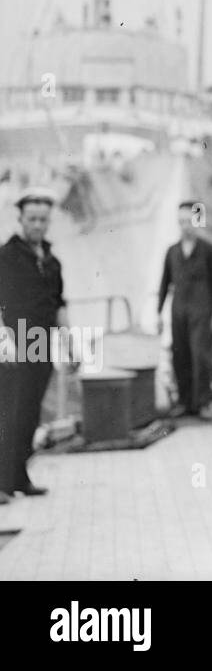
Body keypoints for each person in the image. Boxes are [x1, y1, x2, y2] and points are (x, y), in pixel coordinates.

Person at [0, 187, 65, 503]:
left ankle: (18, 477)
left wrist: (69, 343)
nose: (38, 225)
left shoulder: (51, 261)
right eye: (32, 219)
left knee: (29, 413)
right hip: (14, 342)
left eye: (43, 220)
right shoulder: (7, 256)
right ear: (21, 219)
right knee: (8, 412)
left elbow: (59, 303)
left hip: (42, 343)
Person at [158, 200, 212, 420]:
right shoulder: (172, 251)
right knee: (180, 356)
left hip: (201, 310)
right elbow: (164, 283)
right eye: (181, 222)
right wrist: (158, 313)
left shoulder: (208, 250)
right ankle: (185, 402)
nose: (185, 226)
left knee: (201, 357)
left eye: (189, 221)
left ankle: (202, 403)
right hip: (178, 311)